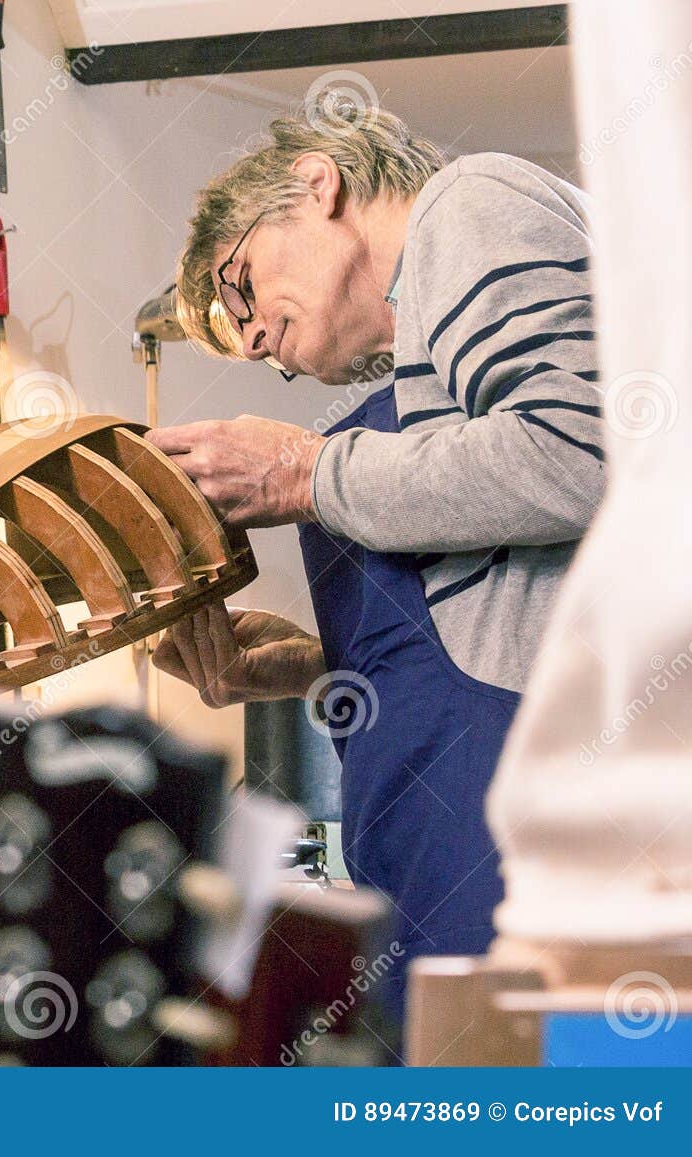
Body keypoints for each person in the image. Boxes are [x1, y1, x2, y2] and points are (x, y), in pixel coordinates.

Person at [148, 107, 604, 1000]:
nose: (249, 339)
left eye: (236, 287)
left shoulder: (469, 205)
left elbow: (582, 450)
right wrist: (325, 670)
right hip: (440, 863)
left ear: (319, 187)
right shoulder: (427, 361)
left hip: (510, 845)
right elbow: (509, 606)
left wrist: (306, 472)